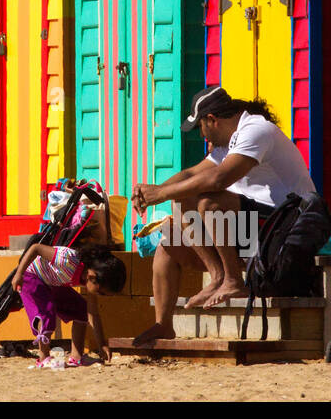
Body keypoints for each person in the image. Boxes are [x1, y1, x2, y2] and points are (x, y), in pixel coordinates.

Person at [131, 85, 317, 345]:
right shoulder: (227, 144)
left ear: (212, 120)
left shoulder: (256, 130)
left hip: (284, 226)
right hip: (250, 227)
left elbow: (220, 179)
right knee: (169, 242)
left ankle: (229, 278)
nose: (202, 136)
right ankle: (164, 324)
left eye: (200, 128)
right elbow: (190, 176)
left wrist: (160, 195)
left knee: (209, 203)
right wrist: (154, 191)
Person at [10, 242, 126, 367]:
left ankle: (77, 357)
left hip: (52, 281)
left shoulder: (89, 276)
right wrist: (19, 274)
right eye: (100, 292)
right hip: (31, 275)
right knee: (47, 312)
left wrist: (102, 344)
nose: (99, 295)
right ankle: (43, 358)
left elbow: (93, 313)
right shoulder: (67, 260)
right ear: (91, 276)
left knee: (81, 309)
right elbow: (36, 248)